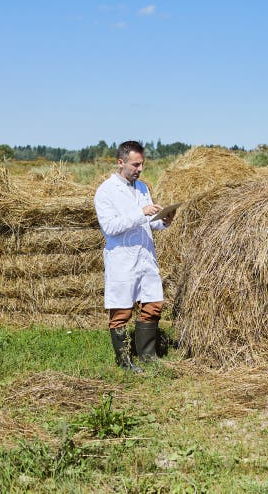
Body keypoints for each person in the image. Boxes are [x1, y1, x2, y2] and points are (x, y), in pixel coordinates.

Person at [94, 140, 175, 373]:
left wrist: (163, 221)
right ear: (121, 162)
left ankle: (147, 356)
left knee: (153, 305)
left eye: (142, 164)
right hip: (122, 259)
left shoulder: (142, 188)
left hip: (145, 257)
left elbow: (150, 222)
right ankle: (124, 362)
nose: (139, 169)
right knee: (121, 311)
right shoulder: (106, 192)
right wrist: (141, 213)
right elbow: (110, 227)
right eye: (135, 164)